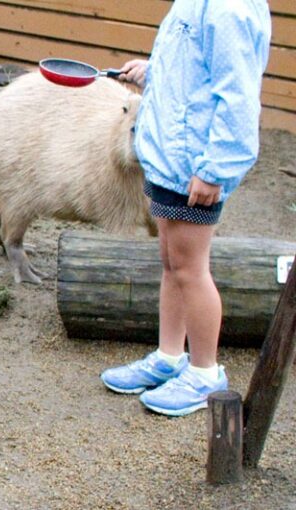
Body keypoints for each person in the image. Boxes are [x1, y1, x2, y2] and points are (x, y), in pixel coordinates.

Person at [100, 0, 271, 416]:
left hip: (195, 166)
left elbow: (238, 96)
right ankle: (169, 356)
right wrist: (151, 72)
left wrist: (215, 170)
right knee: (171, 262)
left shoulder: (229, 11)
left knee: (191, 269)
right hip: (170, 158)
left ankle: (204, 372)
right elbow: (191, 68)